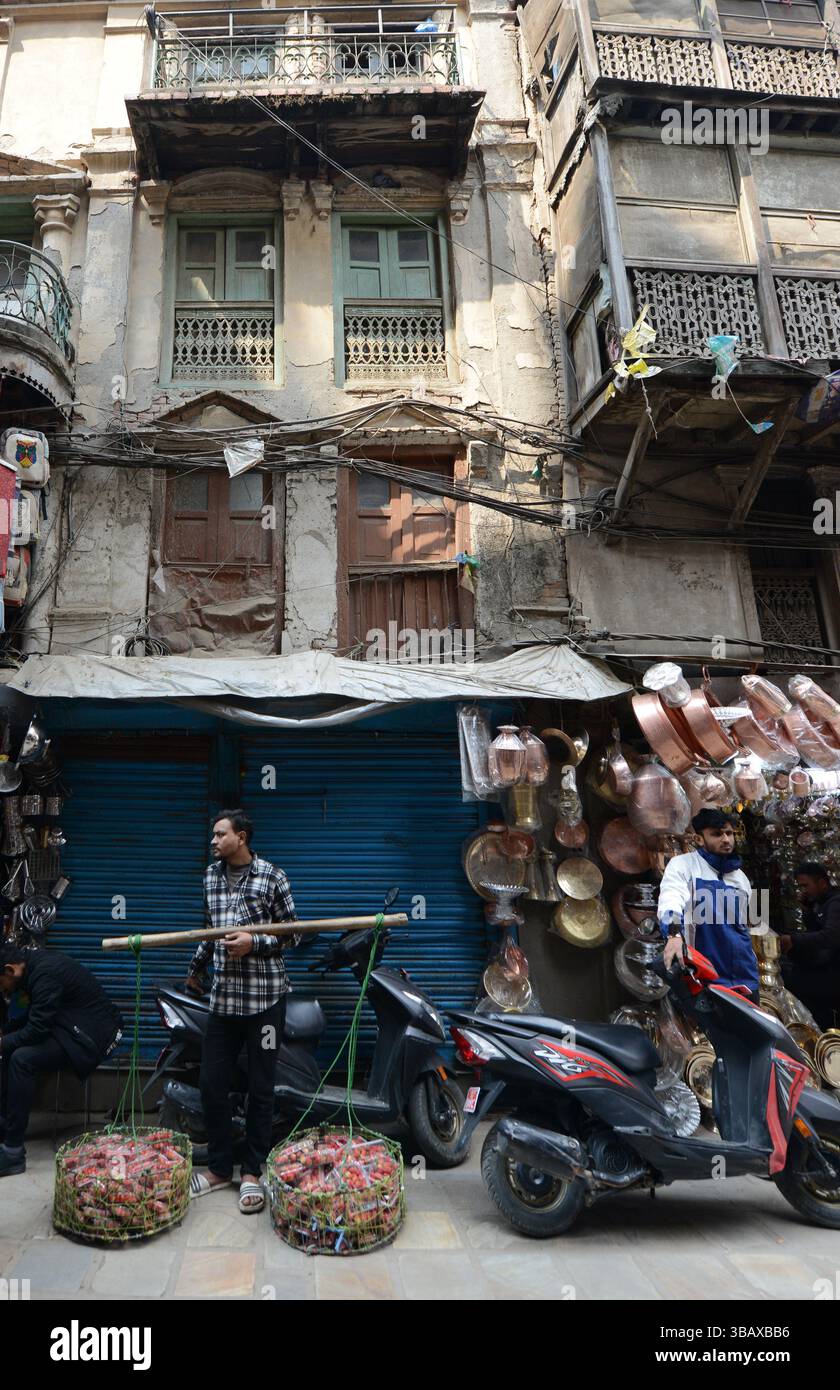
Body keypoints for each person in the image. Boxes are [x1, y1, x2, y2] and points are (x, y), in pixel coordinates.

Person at [185, 809, 300, 1215]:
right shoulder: (210, 877)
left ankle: (252, 1172)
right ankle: (219, 1169)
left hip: (265, 1001)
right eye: (213, 835)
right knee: (212, 1084)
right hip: (224, 1002)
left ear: (242, 837)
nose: (213, 842)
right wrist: (197, 966)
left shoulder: (272, 876)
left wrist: (256, 943)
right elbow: (210, 929)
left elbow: (294, 933)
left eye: (220, 835)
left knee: (261, 1088)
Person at [0, 943, 123, 1177]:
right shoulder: (34, 967)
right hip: (68, 1026)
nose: (2, 990)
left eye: (0, 983)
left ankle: (13, 1152)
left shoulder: (44, 973)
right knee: (11, 1048)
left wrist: (4, 1041)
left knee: (21, 1059)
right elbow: (37, 1014)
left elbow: (37, 1028)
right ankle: (6, 1125)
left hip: (92, 1036)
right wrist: (7, 1035)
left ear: (9, 970)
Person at [658, 808, 759, 998]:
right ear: (699, 839)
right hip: (703, 976)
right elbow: (671, 898)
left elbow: (747, 924)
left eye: (729, 833)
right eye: (717, 834)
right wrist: (673, 935)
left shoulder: (740, 877)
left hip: (745, 977)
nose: (726, 839)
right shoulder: (683, 866)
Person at [779, 862, 840, 1030]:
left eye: (806, 886)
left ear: (821, 883)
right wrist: (806, 910)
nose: (802, 891)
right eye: (800, 887)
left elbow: (830, 936)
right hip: (829, 964)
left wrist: (794, 940)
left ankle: (822, 1029)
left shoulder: (836, 903)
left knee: (797, 983)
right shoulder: (822, 902)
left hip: (834, 971)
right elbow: (816, 930)